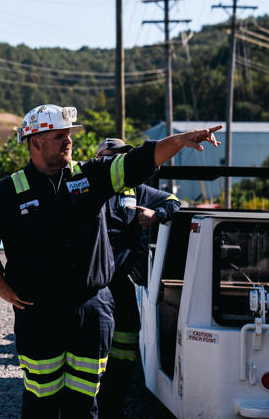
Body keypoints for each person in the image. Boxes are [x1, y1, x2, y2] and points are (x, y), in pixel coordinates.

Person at [0, 104, 220, 418]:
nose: (68, 141)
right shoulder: (9, 191)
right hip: (39, 313)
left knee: (84, 402)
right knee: (41, 400)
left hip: (92, 309)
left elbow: (138, 160)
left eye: (69, 135)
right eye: (59, 136)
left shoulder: (93, 176)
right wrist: (0, 285)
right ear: (35, 142)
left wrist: (179, 141)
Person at [94, 138, 180, 417]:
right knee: (88, 351)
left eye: (120, 157)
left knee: (126, 345)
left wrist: (157, 214)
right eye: (109, 157)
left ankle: (112, 407)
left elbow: (173, 200)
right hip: (90, 284)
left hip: (120, 283)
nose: (115, 162)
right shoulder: (87, 186)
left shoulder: (136, 190)